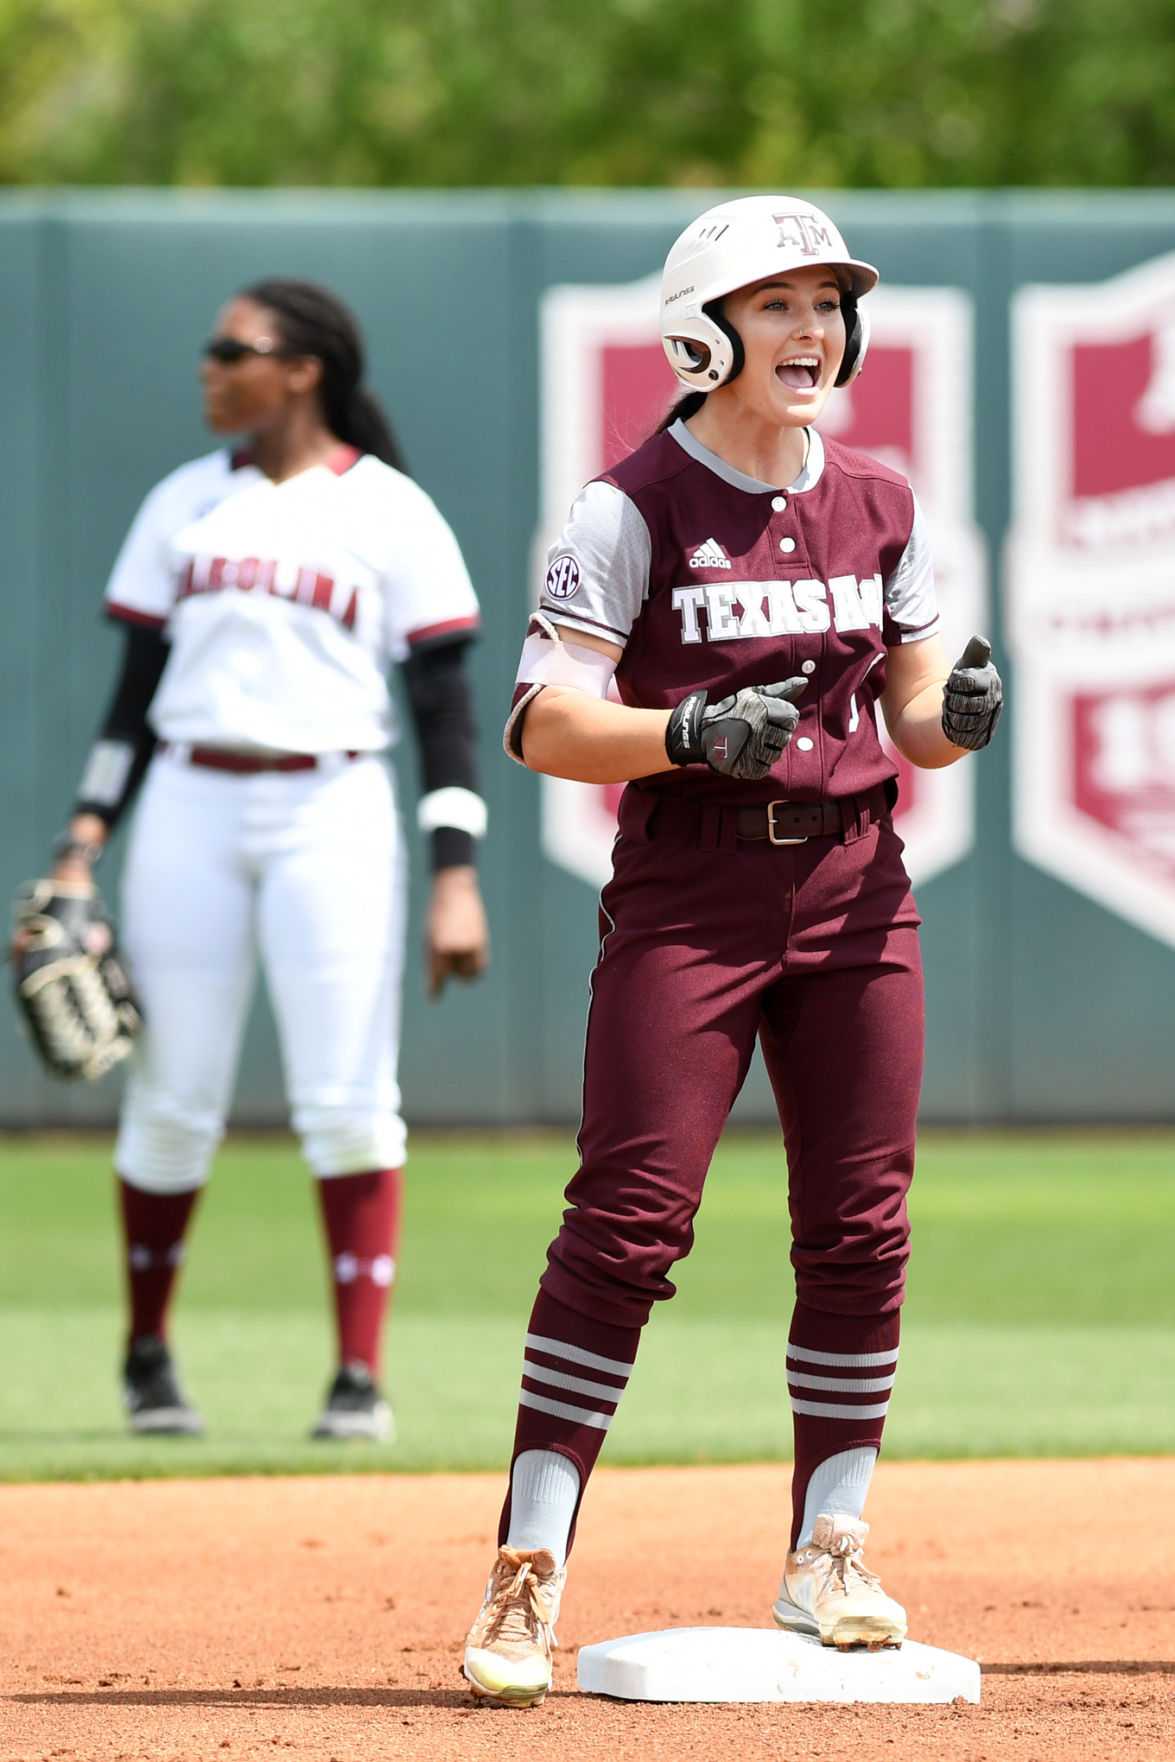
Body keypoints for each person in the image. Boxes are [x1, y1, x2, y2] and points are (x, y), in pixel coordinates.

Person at [461, 196, 1003, 1707]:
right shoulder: (626, 504)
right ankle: (530, 1560)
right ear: (702, 329)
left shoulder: (882, 503)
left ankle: (827, 1544)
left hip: (853, 888)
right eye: (777, 305)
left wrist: (946, 719)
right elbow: (540, 723)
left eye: (828, 303)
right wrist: (683, 733)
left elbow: (907, 719)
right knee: (627, 1220)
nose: (812, 330)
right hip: (690, 894)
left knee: (859, 1226)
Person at [40, 278, 489, 1442]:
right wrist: (83, 844)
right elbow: (131, 703)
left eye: (228, 348)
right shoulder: (184, 503)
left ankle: (356, 1378)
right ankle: (147, 1356)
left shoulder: (390, 511)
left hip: (333, 804)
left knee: (347, 1104)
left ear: (300, 369)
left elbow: (443, 705)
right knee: (173, 1099)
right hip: (188, 802)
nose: (206, 365)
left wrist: (454, 873)